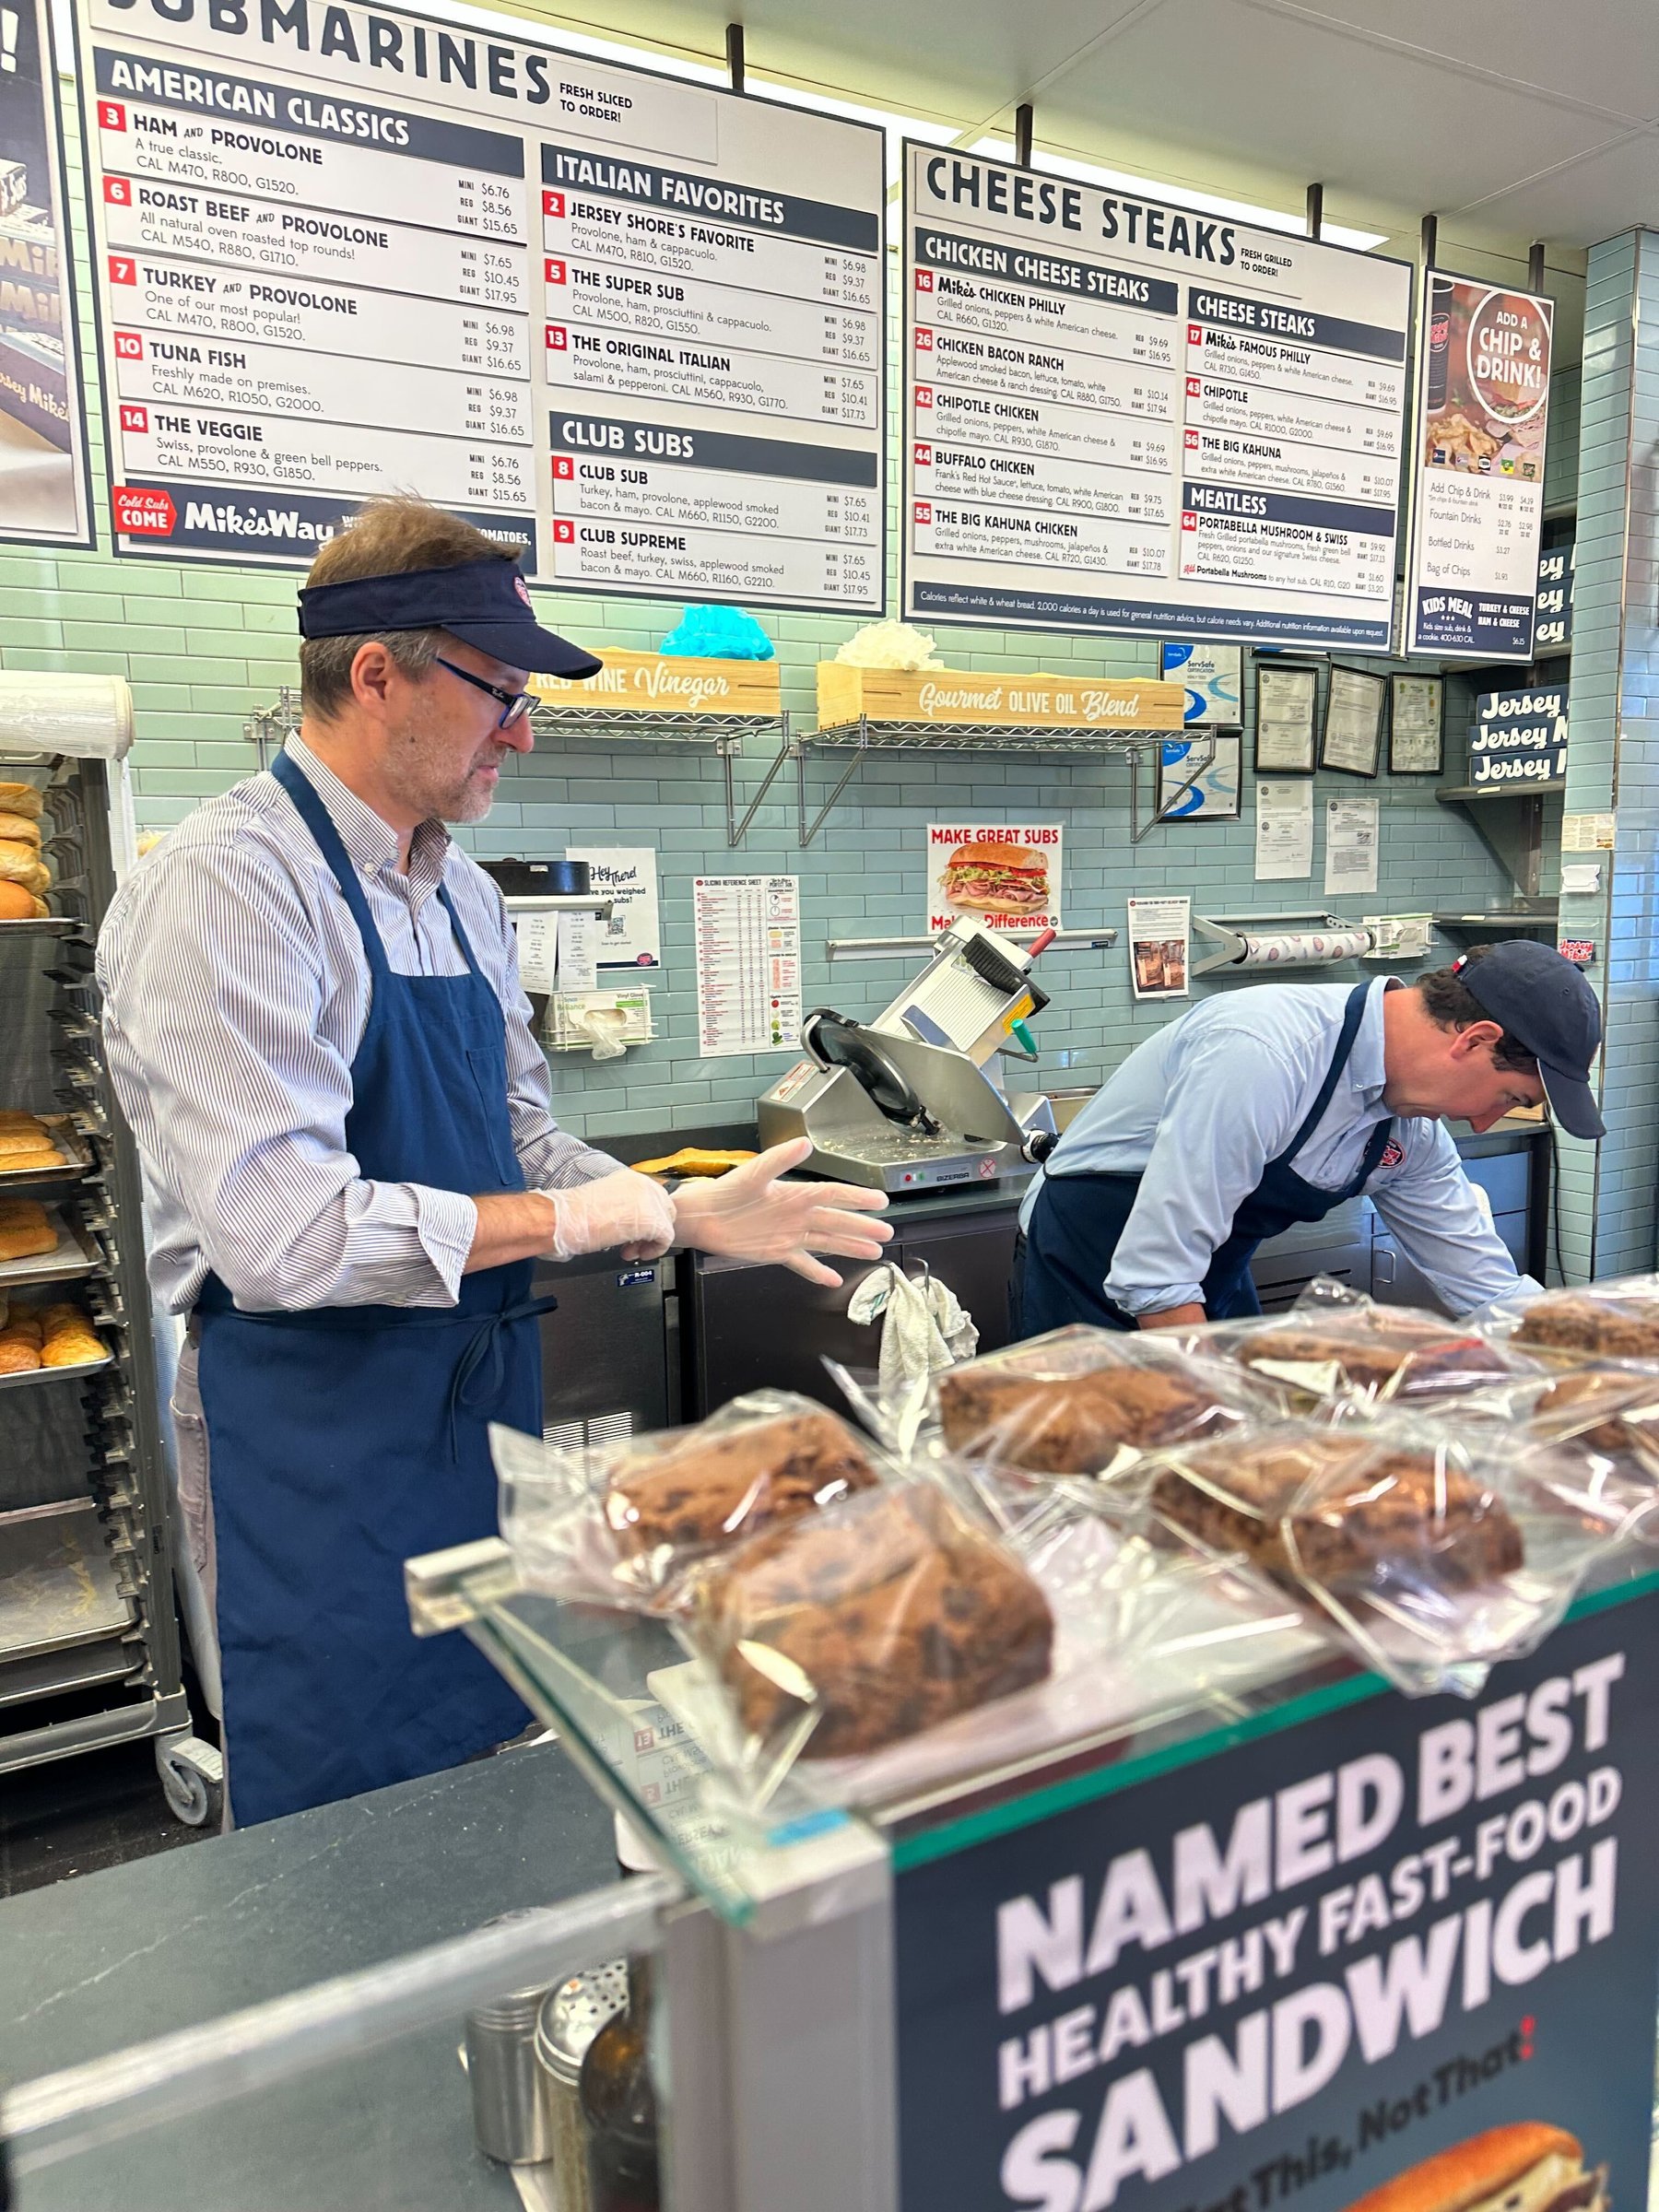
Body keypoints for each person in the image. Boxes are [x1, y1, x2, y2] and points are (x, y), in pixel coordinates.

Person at [99, 497, 891, 1826]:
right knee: (342, 1830)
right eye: (499, 693)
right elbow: (286, 1236)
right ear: (375, 675)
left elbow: (522, 1133)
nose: (522, 730)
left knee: (502, 1761)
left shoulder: (461, 892)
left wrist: (683, 1216)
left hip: (473, 1416)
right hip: (316, 1445)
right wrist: (588, 1224)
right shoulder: (229, 887)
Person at [1012, 943, 1603, 1336]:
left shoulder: (1413, 1132)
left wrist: (1603, 1366)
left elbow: (1487, 1291)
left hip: (1205, 1265)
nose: (1483, 1123)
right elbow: (1153, 1276)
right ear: (1474, 1039)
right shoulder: (1265, 1055)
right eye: (1508, 1098)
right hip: (1088, 1246)